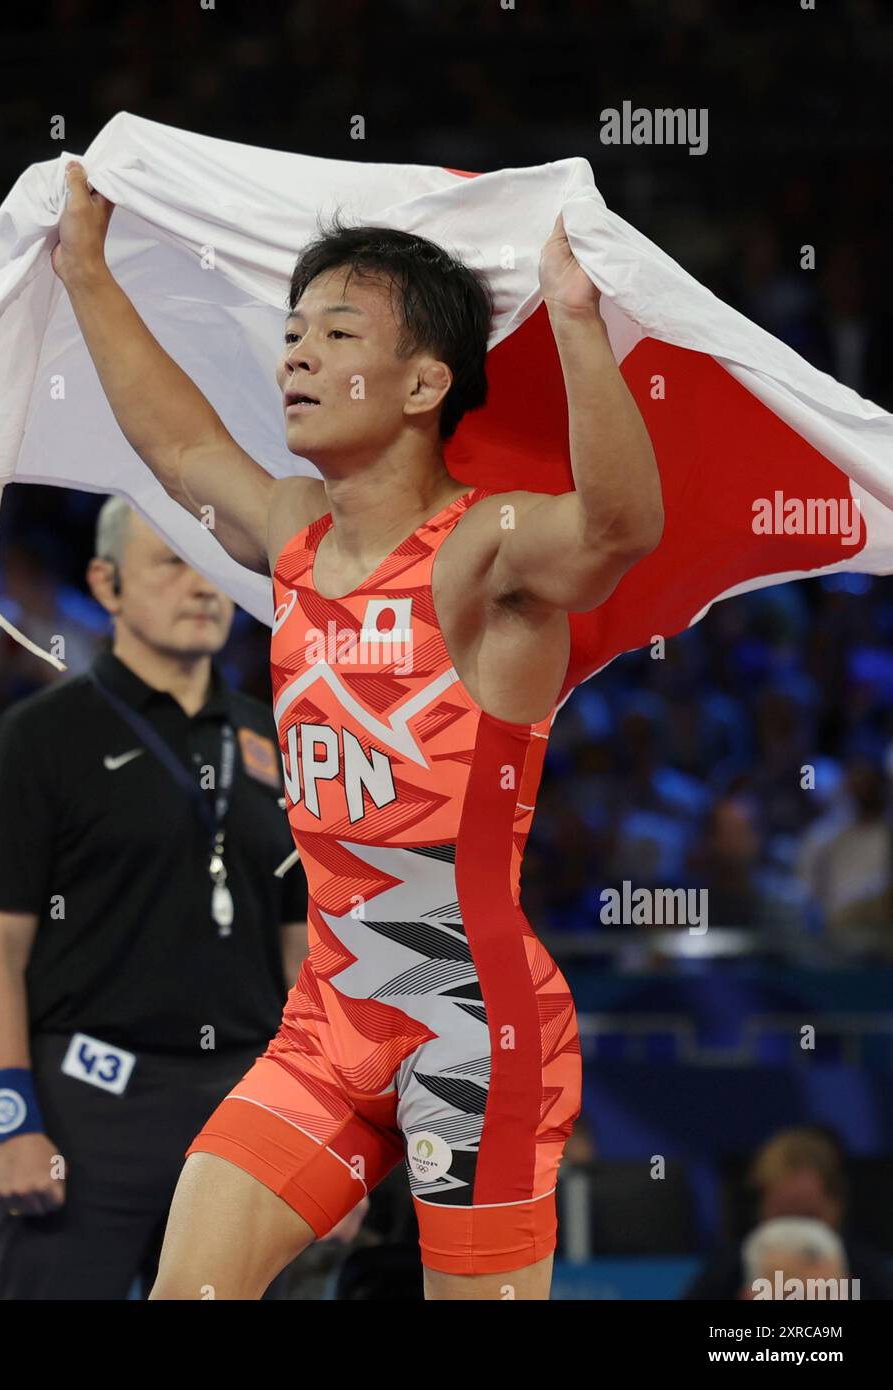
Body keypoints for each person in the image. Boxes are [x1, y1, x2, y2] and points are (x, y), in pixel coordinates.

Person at [52, 161, 664, 1300]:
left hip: (473, 1028)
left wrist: (579, 320)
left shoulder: (487, 550)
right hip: (328, 1020)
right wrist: (84, 269)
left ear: (426, 380)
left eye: (335, 332)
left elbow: (621, 529)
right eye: (291, 333)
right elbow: (180, 450)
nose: (294, 354)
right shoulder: (291, 534)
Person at [0, 498, 309, 1299]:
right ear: (104, 585)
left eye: (216, 565)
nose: (202, 587)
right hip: (88, 1105)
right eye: (173, 562)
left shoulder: (278, 738)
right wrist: (10, 1123)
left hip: (249, 1106)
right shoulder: (41, 739)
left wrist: (325, 1136)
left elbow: (306, 954)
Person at [684, 1127, 893, 1300]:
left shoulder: (866, 1276)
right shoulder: (727, 1273)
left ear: (836, 1206)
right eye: (784, 1218)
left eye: (809, 1217)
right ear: (762, 1208)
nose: (796, 1232)